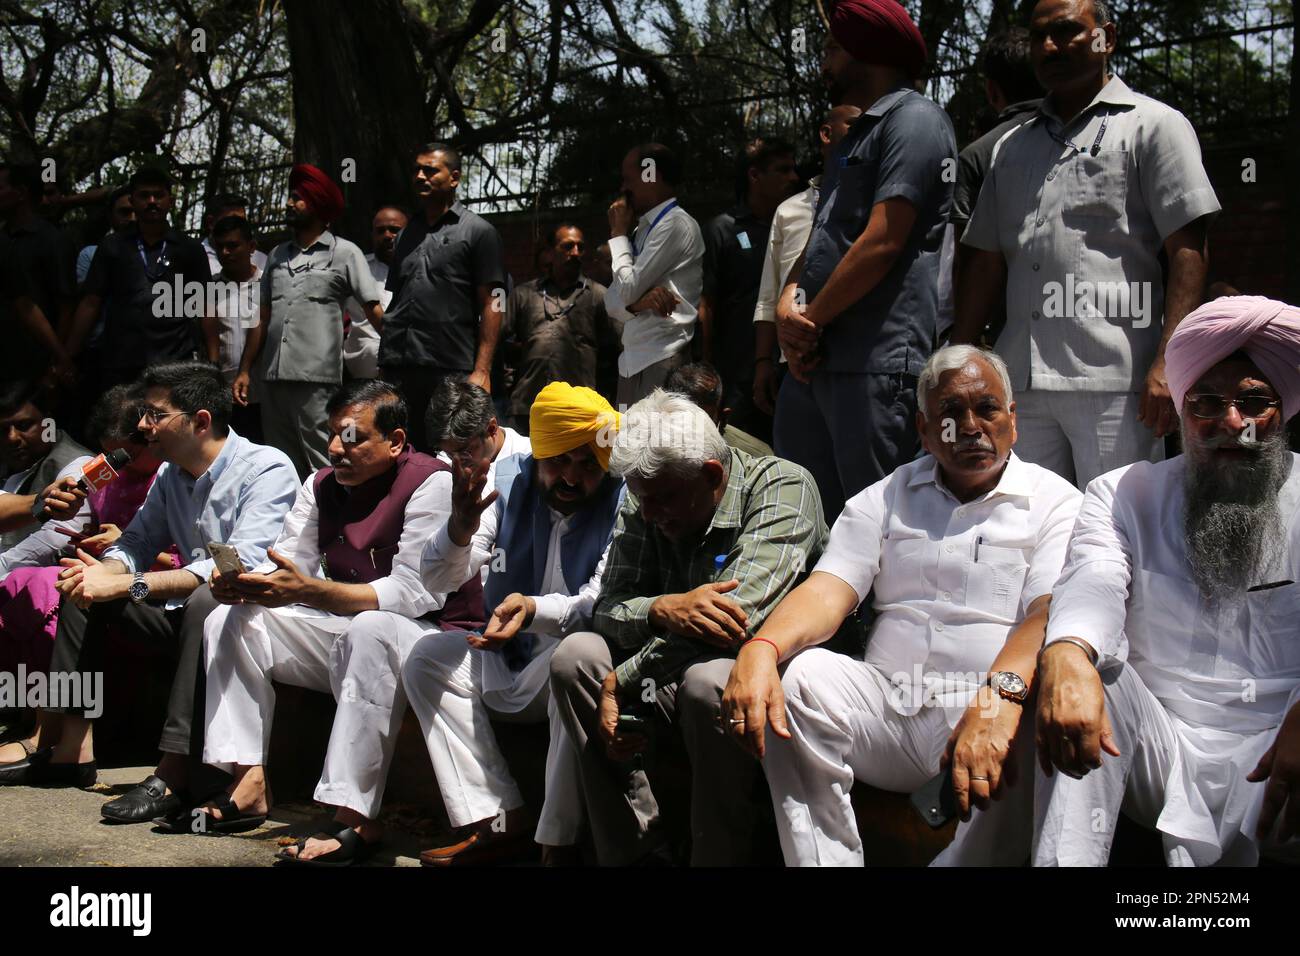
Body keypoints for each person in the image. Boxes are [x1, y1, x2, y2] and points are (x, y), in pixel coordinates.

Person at [720, 346, 1081, 865]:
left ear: (1013, 420)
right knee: (799, 678)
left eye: (988, 408)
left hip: (989, 714)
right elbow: (828, 589)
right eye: (950, 414)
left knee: (1040, 689)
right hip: (888, 713)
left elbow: (1044, 615)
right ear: (925, 429)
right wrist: (761, 648)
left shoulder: (1057, 503)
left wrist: (997, 701)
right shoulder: (885, 497)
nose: (971, 426)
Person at [1029, 296, 1300, 866]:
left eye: (1254, 402)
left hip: (1284, 742)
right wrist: (1068, 653)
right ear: (1180, 411)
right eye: (1206, 403)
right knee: (1084, 675)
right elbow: (1094, 583)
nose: (1232, 423)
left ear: (1283, 409)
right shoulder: (1124, 492)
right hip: (1163, 745)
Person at [194, 379, 482, 862]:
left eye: (351, 437)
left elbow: (412, 593)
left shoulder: (431, 480)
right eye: (331, 435)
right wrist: (249, 585)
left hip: (430, 639)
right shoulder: (321, 483)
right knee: (230, 617)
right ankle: (248, 783)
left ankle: (354, 817)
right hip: (348, 630)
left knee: (370, 629)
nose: (334, 449)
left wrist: (312, 592)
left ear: (395, 441)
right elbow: (289, 562)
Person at [950, 0, 1220, 489]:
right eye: (1038, 37)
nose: (1049, 46)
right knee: (1029, 535)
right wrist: (959, 359)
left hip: (1117, 385)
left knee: (1120, 533)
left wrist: (1169, 362)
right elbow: (987, 260)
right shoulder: (1012, 148)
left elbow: (1188, 247)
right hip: (1021, 384)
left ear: (1106, 38)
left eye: (1067, 31)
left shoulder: (1153, 125)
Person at [550, 389, 826, 865]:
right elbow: (609, 608)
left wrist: (627, 677)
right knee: (575, 657)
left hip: (761, 676)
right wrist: (662, 609)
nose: (650, 516)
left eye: (663, 501)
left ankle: (719, 853)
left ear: (711, 475)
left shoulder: (784, 488)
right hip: (666, 661)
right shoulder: (648, 492)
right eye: (643, 502)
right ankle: (634, 851)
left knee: (707, 682)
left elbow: (734, 622)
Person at [4, 363, 298, 805]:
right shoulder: (170, 473)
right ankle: (69, 749)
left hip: (243, 618)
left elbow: (234, 573)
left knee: (205, 600)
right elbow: (138, 541)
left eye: (155, 415)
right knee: (81, 588)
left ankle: (173, 768)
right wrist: (106, 571)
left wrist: (128, 585)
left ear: (200, 422)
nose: (142, 426)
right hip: (179, 611)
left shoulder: (266, 469)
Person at [402, 382, 625, 866]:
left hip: (566, 663)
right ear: (539, 453)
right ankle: (499, 818)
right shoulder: (506, 479)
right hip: (507, 656)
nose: (571, 477)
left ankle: (556, 844)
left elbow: (598, 602)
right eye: (559, 462)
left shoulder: (621, 497)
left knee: (576, 661)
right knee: (428, 659)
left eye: (588, 465)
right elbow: (438, 578)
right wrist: (458, 527)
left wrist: (532, 609)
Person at [774, 0, 956, 522]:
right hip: (813, 364)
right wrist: (790, 301)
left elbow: (883, 240)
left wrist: (810, 321)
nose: (823, 62)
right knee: (803, 519)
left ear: (868, 53)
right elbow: (822, 233)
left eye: (832, 48)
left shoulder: (917, 120)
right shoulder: (858, 134)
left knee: (877, 524)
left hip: (872, 363)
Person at [0, 387, 176, 779]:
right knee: (36, 581)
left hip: (158, 587)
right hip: (103, 573)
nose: (120, 466)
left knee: (58, 588)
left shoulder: (170, 476)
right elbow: (66, 524)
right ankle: (55, 736)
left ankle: (48, 734)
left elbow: (189, 562)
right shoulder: (103, 475)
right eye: (112, 455)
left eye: (129, 455)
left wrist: (122, 543)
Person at [236, 164, 382, 478]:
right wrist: (246, 369)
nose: (290, 204)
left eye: (298, 198)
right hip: (273, 379)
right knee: (279, 464)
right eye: (291, 197)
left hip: (316, 380)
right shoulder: (276, 255)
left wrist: (396, 359)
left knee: (324, 459)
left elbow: (373, 309)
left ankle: (333, 523)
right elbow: (262, 315)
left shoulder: (345, 253)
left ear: (317, 205)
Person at [378, 144, 507, 450]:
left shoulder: (479, 231)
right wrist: (386, 362)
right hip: (400, 368)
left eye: (430, 170)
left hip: (449, 367)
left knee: (449, 452)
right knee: (402, 451)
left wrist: (482, 370)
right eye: (416, 170)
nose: (420, 176)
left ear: (454, 178)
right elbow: (397, 300)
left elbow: (494, 300)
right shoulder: (406, 234)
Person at [752, 107, 862, 418]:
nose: (864, 133)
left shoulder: (876, 205)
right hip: (793, 366)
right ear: (827, 133)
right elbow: (768, 296)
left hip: (853, 360)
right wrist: (763, 362)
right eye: (854, 125)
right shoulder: (788, 211)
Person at [65, 167, 212, 394]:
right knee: (124, 427)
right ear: (132, 201)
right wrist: (69, 355)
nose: (152, 201)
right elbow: (90, 302)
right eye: (144, 195)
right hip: (122, 362)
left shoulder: (190, 248)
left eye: (158, 195)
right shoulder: (112, 246)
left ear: (170, 201)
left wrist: (212, 361)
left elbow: (206, 308)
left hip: (175, 362)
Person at [699, 139, 800, 443]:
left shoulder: (798, 226)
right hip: (736, 376)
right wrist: (707, 371)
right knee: (737, 450)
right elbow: (707, 305)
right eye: (782, 170)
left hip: (790, 368)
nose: (793, 178)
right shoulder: (721, 230)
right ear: (754, 176)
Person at [949, 29, 1044, 347]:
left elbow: (967, 264)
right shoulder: (1094, 140)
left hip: (1003, 338)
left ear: (991, 90)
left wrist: (964, 343)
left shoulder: (977, 156)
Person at [604, 143, 705, 406]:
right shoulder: (642, 230)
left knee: (655, 445)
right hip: (631, 360)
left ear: (651, 173)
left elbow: (624, 290)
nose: (624, 189)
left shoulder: (675, 224)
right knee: (627, 444)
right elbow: (611, 302)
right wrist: (638, 303)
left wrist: (617, 235)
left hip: (662, 358)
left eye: (628, 179)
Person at [504, 224, 614, 434]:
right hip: (528, 405)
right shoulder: (524, 294)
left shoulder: (599, 295)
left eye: (580, 248)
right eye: (568, 246)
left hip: (578, 408)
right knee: (521, 465)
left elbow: (615, 348)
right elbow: (496, 340)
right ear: (550, 252)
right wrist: (508, 379)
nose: (575, 253)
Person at [0, 162, 78, 387]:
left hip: (35, 362)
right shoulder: (3, 239)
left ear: (21, 193)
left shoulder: (54, 241)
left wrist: (58, 360)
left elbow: (66, 307)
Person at [0, 379, 92, 555]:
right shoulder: (7, 462)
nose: (12, 437)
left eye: (24, 425)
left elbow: (51, 547)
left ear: (48, 423)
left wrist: (42, 503)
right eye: (2, 430)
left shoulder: (77, 467)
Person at [202, 215, 264, 441]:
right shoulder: (210, 289)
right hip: (225, 394)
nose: (225, 252)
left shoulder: (268, 285)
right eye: (220, 247)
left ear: (251, 247)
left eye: (233, 245)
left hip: (265, 394)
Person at [343, 206, 408, 380]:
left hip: (409, 365)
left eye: (394, 230)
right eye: (380, 231)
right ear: (372, 235)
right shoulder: (355, 269)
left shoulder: (422, 270)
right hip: (364, 370)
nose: (387, 236)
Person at [664, 362, 773, 458]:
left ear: (723, 418)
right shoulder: (650, 445)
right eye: (682, 421)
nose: (690, 435)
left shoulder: (758, 456)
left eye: (700, 424)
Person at [200, 193, 267, 276]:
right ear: (210, 222)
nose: (238, 226)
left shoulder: (262, 261)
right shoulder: (194, 258)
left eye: (242, 221)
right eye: (232, 220)